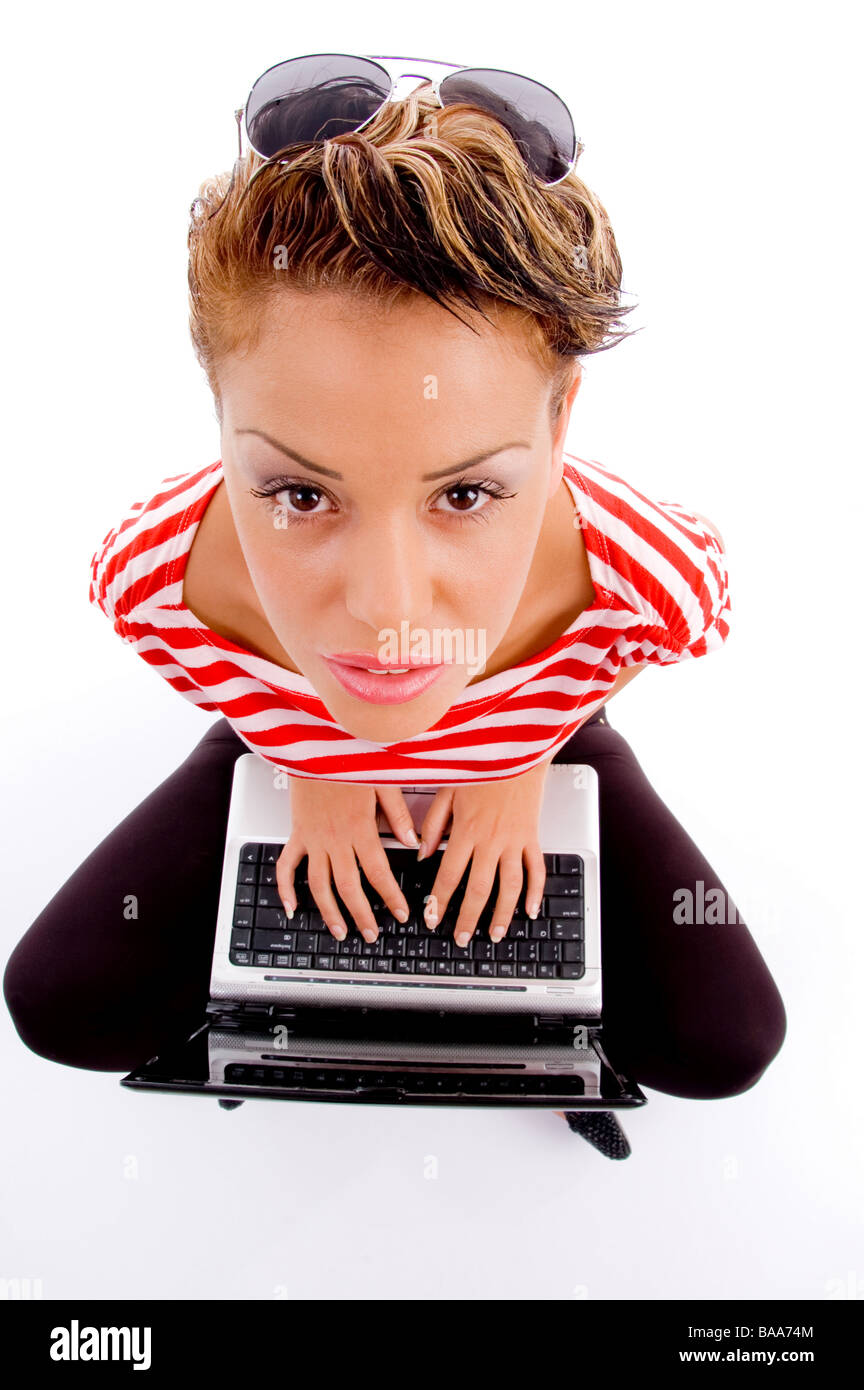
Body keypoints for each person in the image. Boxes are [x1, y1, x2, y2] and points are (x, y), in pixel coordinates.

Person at [3, 57, 786, 1114]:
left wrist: (532, 751)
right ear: (221, 432)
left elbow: (636, 644)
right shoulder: (156, 582)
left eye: (465, 495)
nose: (390, 612)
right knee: (63, 1002)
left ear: (557, 431)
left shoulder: (650, 580)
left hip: (538, 730)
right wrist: (295, 755)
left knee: (721, 1039)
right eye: (297, 491)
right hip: (287, 724)